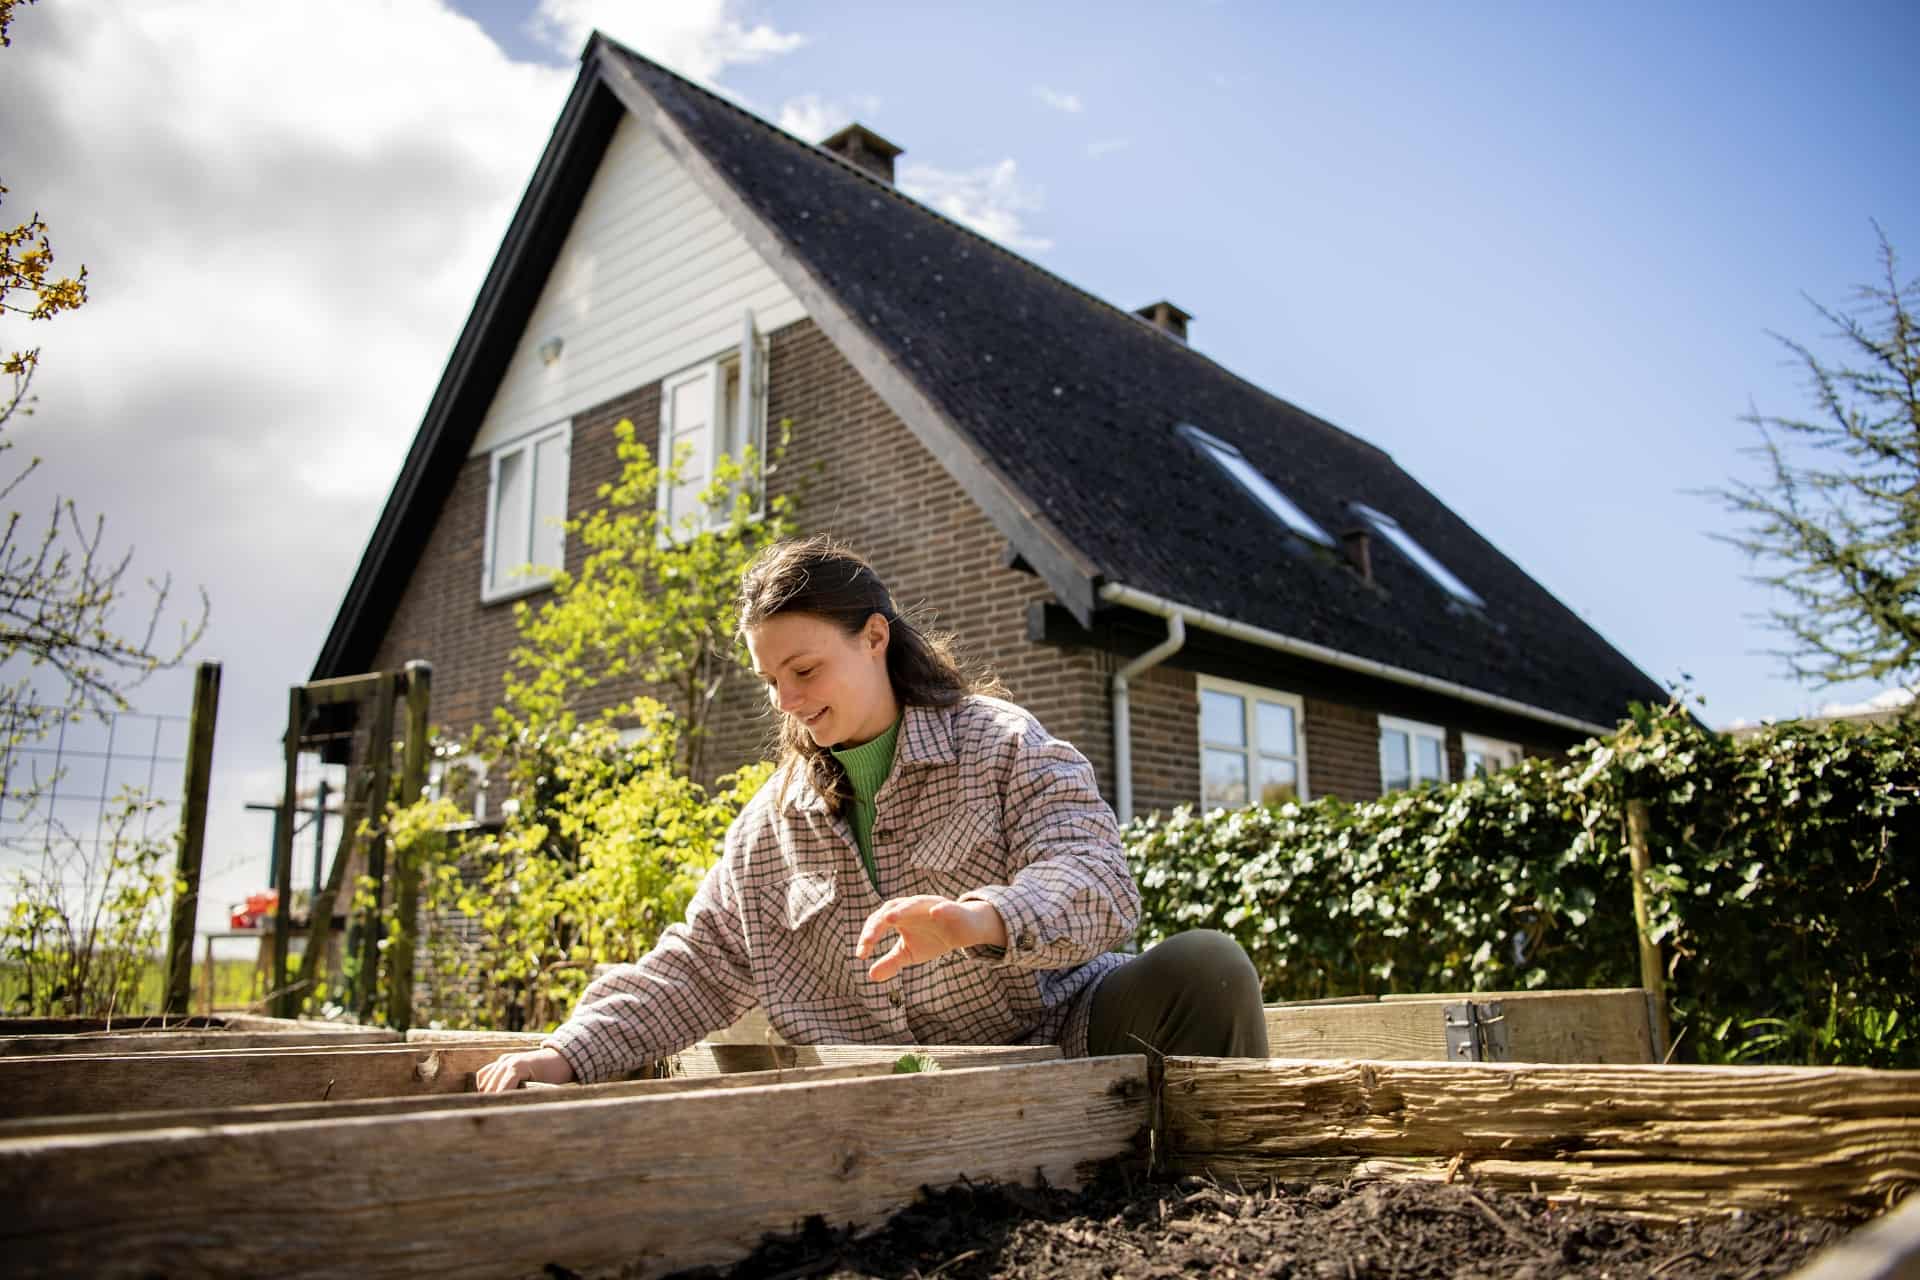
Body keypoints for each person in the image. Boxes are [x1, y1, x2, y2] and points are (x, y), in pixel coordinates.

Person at [476, 536, 1267, 1092]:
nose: (786, 699)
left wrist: (974, 920)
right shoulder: (765, 831)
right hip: (883, 1102)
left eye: (805, 667)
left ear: (875, 637)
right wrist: (567, 1053)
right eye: (769, 679)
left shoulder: (1000, 743)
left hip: (1059, 1047)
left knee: (1208, 967)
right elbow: (695, 965)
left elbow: (1098, 882)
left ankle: (1225, 1210)